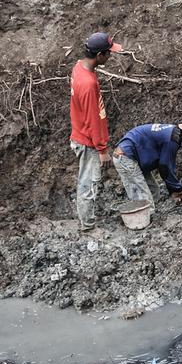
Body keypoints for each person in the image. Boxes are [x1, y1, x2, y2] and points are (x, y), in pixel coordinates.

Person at [70, 32, 122, 230]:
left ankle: (87, 221)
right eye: (108, 53)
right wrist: (102, 149)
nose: (110, 56)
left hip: (81, 133)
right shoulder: (89, 84)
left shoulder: (79, 68)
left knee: (87, 181)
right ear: (100, 55)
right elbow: (93, 119)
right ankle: (88, 226)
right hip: (88, 140)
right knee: (88, 183)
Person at [113, 118, 182, 211]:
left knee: (153, 190)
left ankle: (150, 217)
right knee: (144, 202)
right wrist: (180, 191)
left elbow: (164, 166)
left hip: (134, 157)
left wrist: (174, 192)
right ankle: (142, 224)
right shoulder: (171, 139)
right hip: (126, 157)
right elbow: (165, 166)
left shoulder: (173, 134)